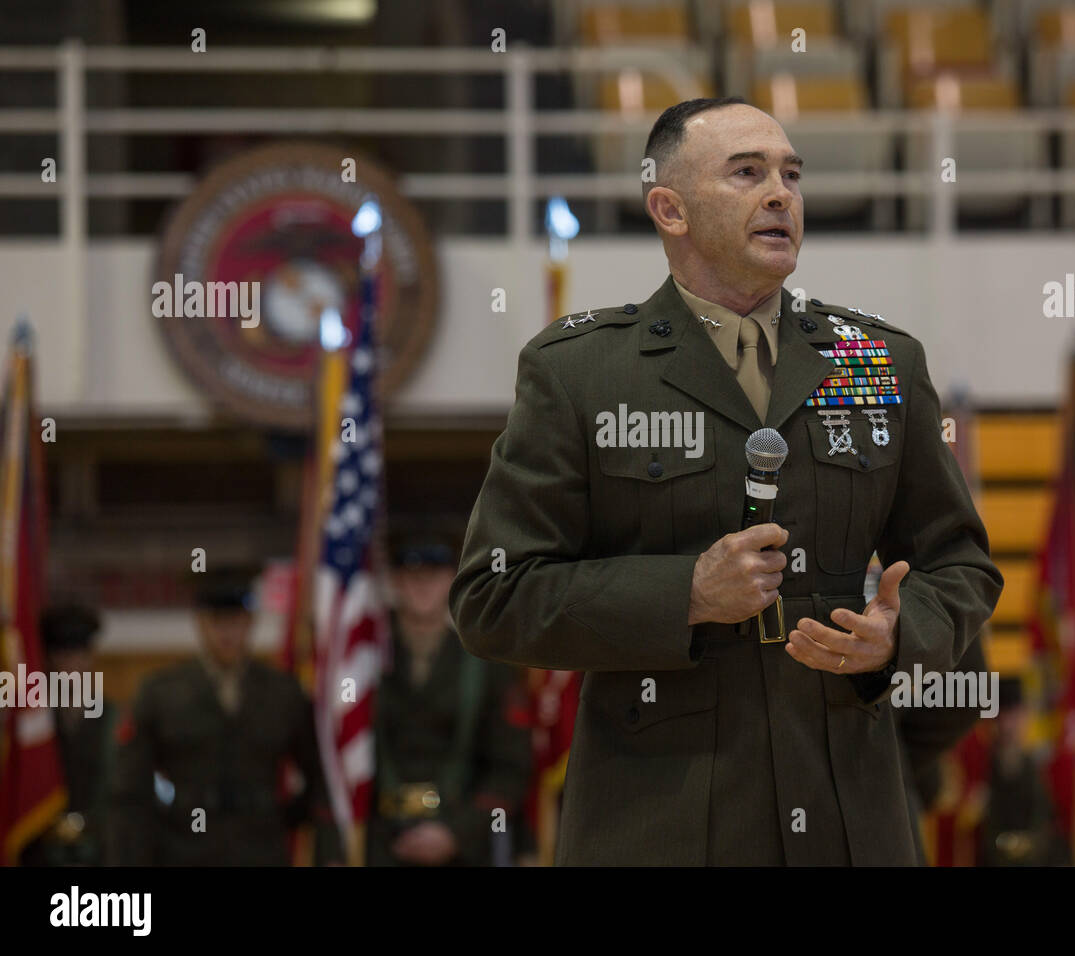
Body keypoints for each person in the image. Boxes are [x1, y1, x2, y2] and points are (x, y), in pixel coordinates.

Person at [450, 97, 1004, 865]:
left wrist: (899, 636)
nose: (781, 194)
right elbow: (492, 597)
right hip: (660, 820)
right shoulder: (580, 373)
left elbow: (962, 563)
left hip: (847, 812)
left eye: (790, 175)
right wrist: (686, 593)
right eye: (747, 173)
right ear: (669, 209)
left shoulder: (876, 363)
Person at [110, 572, 341, 865]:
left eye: (236, 621)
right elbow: (131, 791)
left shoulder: (282, 693)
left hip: (262, 850)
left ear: (251, 623)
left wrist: (284, 818)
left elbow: (321, 777)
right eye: (217, 621)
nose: (227, 633)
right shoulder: (162, 693)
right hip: (184, 850)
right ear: (200, 624)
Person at [368, 534, 531, 866]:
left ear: (451, 581)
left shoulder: (488, 667)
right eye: (412, 575)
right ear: (395, 581)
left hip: (463, 846)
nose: (422, 585)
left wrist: (455, 833)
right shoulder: (360, 665)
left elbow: (509, 768)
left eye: (434, 574)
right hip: (379, 843)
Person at [20, 602, 118, 866]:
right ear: (50, 659)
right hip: (42, 852)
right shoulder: (35, 725)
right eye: (64, 656)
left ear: (91, 656)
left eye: (80, 655)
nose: (72, 666)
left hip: (98, 851)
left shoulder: (111, 718)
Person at [979, 676, 1067, 866]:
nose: (1006, 725)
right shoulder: (981, 771)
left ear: (1025, 716)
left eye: (1013, 715)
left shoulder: (1043, 770)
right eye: (1000, 717)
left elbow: (1052, 831)